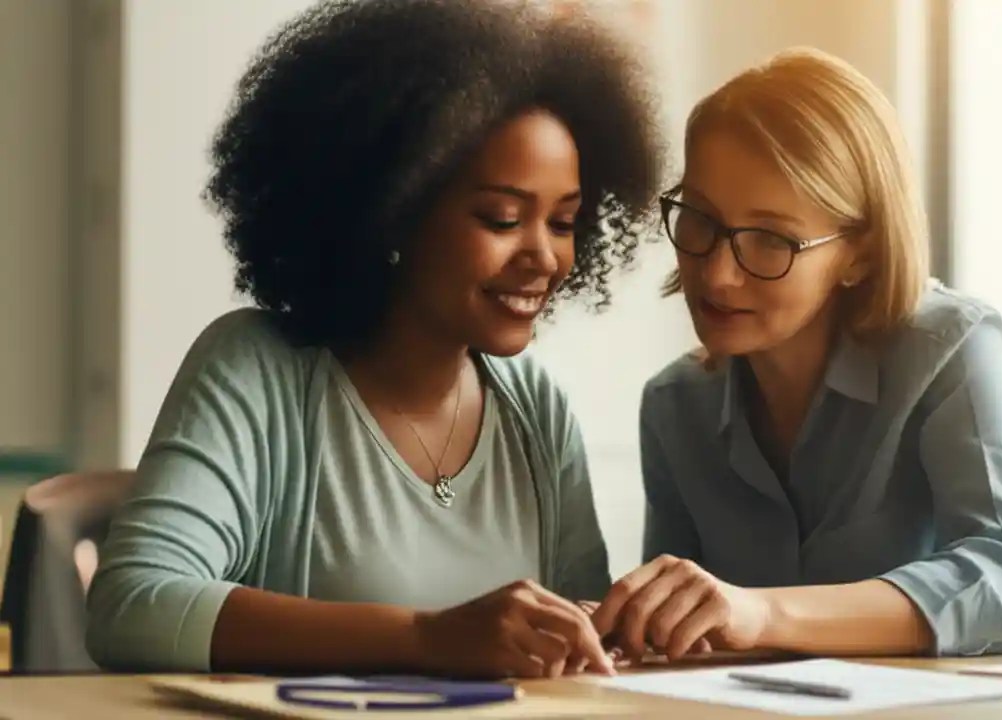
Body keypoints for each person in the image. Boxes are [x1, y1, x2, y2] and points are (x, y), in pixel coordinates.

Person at [86, 0, 662, 678]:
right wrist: (428, 638)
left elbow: (575, 642)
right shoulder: (258, 370)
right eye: (502, 218)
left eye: (563, 222)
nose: (544, 256)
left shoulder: (536, 410)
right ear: (392, 211)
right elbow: (131, 607)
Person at [592, 48, 1002, 660]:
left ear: (860, 252)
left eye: (770, 239)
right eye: (701, 220)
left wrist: (761, 611)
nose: (718, 273)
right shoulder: (674, 406)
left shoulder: (952, 351)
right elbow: (684, 646)